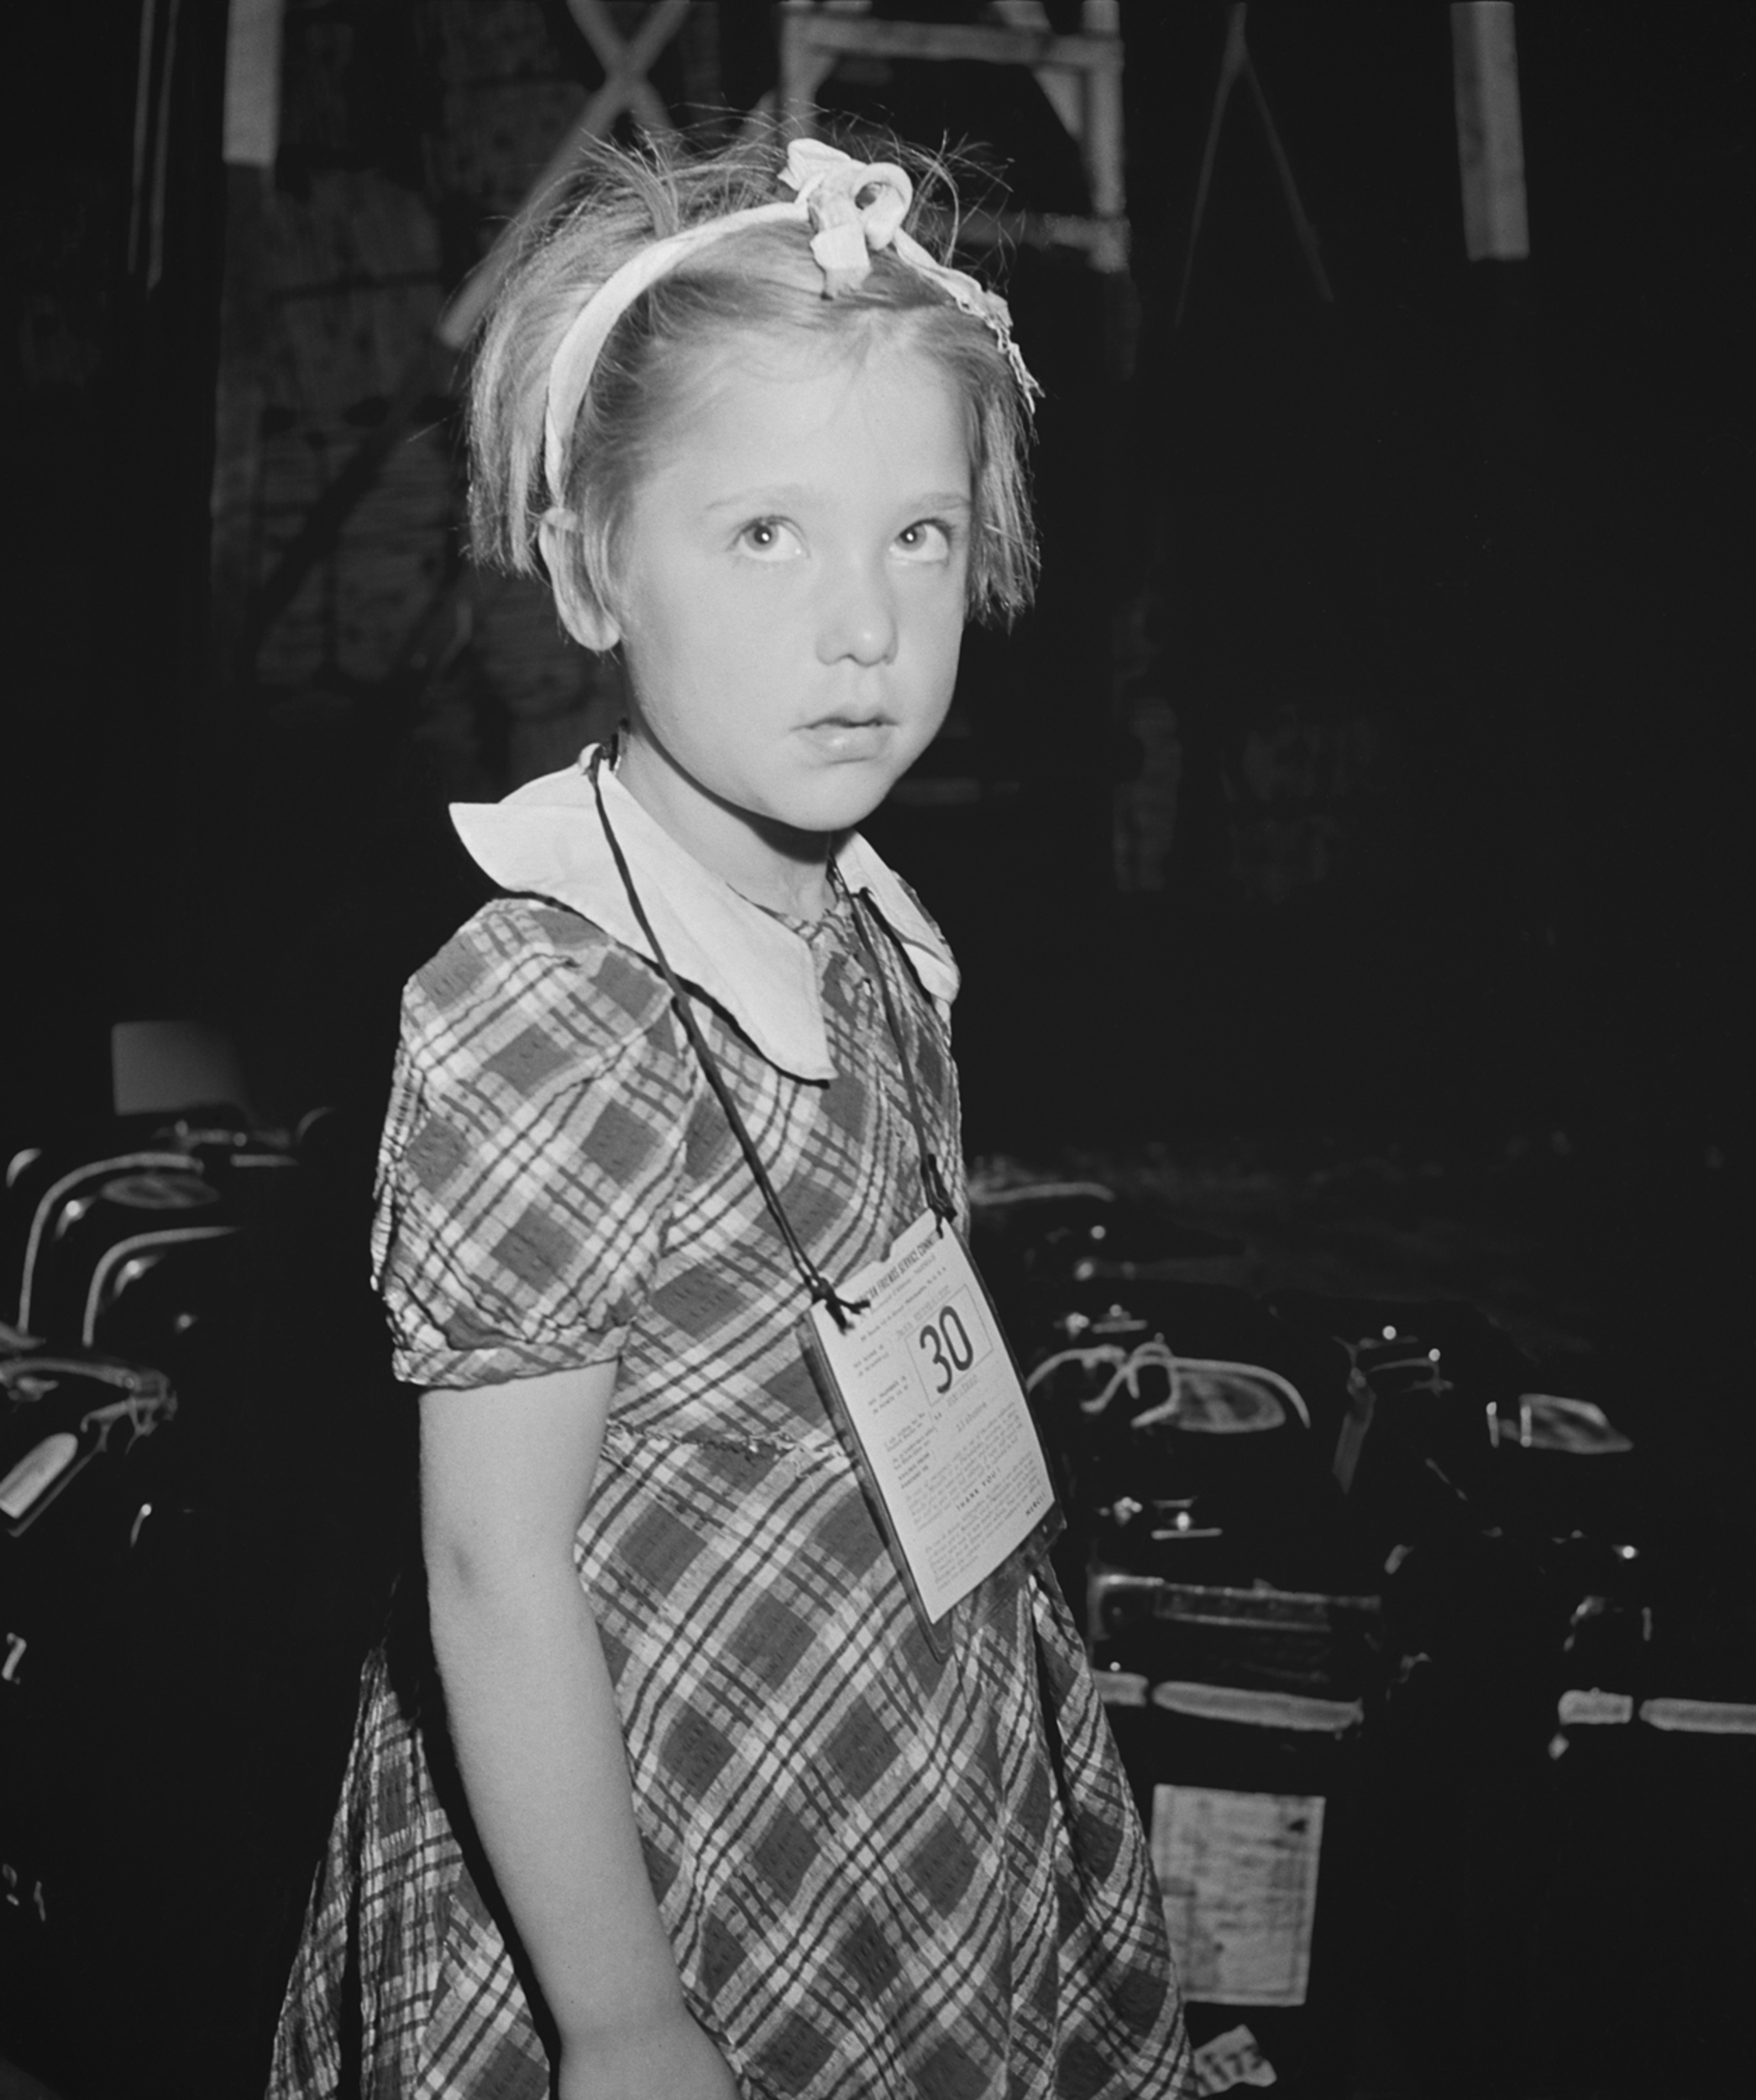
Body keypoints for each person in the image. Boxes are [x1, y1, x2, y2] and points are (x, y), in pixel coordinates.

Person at [269, 130, 1193, 2100]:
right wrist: (615, 2018)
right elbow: (488, 1571)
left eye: (916, 535)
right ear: (595, 569)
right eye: (763, 533)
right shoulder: (553, 1004)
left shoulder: (867, 920)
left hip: (883, 1763)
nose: (861, 625)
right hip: (657, 1864)